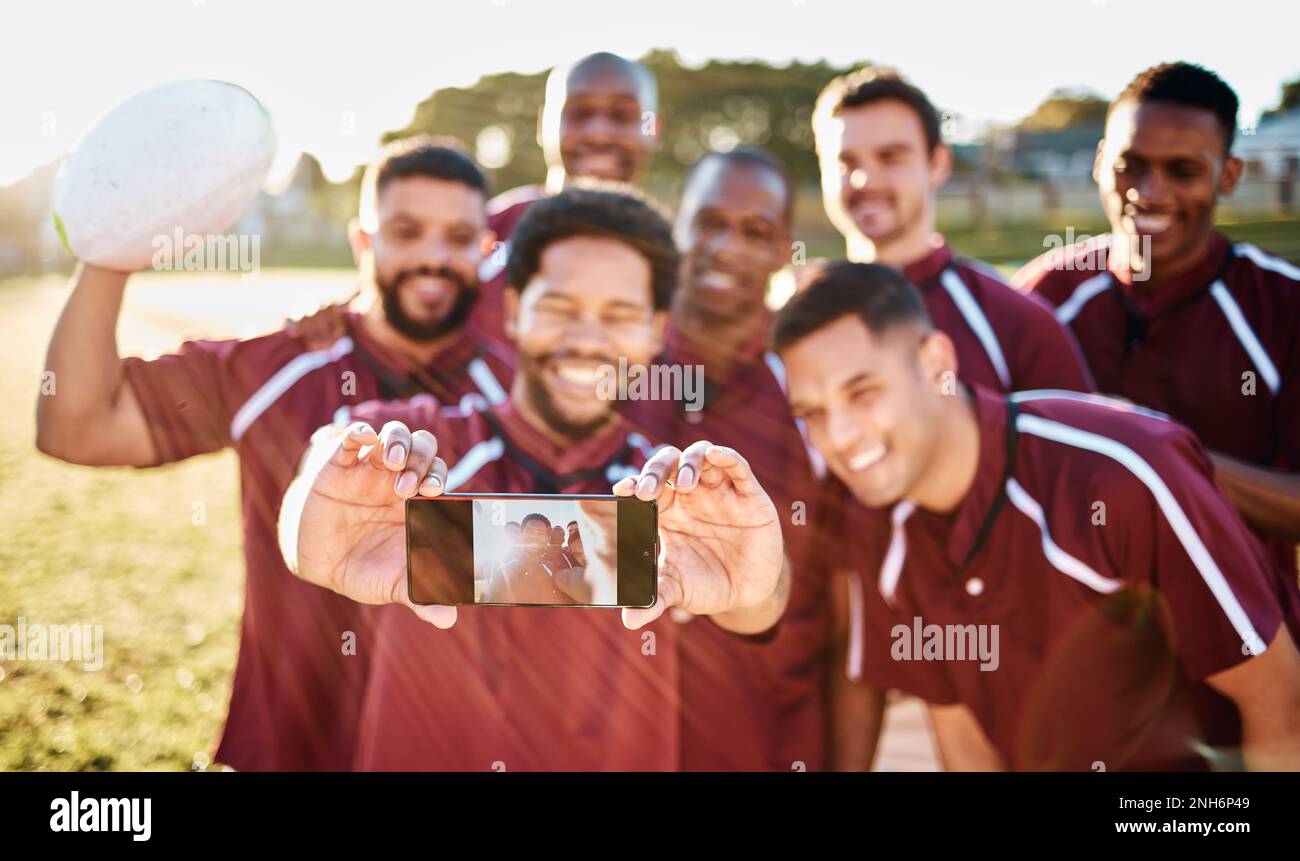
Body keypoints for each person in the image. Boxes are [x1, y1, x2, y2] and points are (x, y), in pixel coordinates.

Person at [278, 186, 791, 770]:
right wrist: (308, 523)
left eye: (619, 315)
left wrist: (757, 584)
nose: (586, 339)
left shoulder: (669, 497)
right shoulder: (417, 454)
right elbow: (320, 466)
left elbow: (757, 601)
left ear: (655, 330)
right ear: (515, 310)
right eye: (559, 307)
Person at [35, 137, 506, 770]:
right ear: (362, 243)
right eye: (405, 231)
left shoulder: (528, 394)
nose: (432, 256)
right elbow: (78, 425)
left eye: (457, 238)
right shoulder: (277, 366)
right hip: (293, 747)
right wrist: (108, 253)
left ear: (485, 251)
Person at [774, 261, 1300, 771]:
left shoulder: (1121, 473)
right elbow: (966, 746)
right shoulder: (875, 526)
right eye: (812, 414)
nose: (838, 437)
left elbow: (1279, 709)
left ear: (937, 363)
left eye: (862, 393)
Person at [811, 69, 1098, 768]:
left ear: (939, 163)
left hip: (1007, 669)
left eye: (891, 156)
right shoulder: (798, 329)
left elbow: (1084, 495)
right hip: (853, 661)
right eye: (846, 160)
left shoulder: (1013, 319)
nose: (866, 180)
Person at [1015, 61, 1300, 575]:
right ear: (1102, 162)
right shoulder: (1042, 296)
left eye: (1183, 170)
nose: (1149, 192)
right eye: (1131, 164)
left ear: (1229, 175)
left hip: (1240, 632)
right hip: (1071, 632)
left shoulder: (1284, 306)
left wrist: (1153, 451)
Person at [624, 146, 831, 770]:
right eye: (710, 223)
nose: (728, 248)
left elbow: (840, 592)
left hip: (760, 734)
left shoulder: (808, 377)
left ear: (782, 247)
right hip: (610, 728)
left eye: (755, 231)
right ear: (676, 224)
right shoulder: (610, 353)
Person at [472, 52, 661, 348]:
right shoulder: (482, 234)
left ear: (653, 129)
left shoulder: (679, 259)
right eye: (579, 113)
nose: (599, 134)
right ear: (543, 125)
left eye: (622, 115)